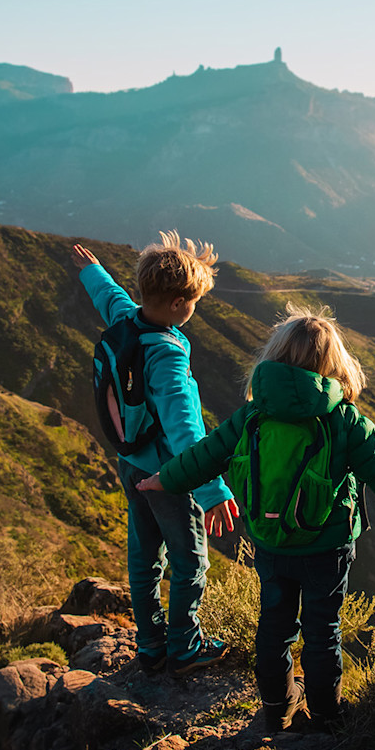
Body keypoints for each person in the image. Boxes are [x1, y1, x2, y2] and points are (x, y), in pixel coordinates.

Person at [137, 303, 375, 732]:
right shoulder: (344, 421)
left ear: (274, 356)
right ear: (335, 364)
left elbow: (205, 456)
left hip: (270, 542)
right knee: (322, 629)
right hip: (326, 547)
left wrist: (162, 479)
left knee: (274, 626)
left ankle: (277, 706)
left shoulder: (253, 416)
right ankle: (328, 714)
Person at [72, 234, 239, 678]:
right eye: (194, 302)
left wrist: (92, 271)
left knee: (144, 559)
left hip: (130, 465)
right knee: (190, 562)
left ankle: (150, 645)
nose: (194, 309)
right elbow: (185, 430)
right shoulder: (166, 354)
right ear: (179, 303)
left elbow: (110, 297)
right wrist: (212, 490)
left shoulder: (129, 319)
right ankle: (184, 648)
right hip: (169, 477)